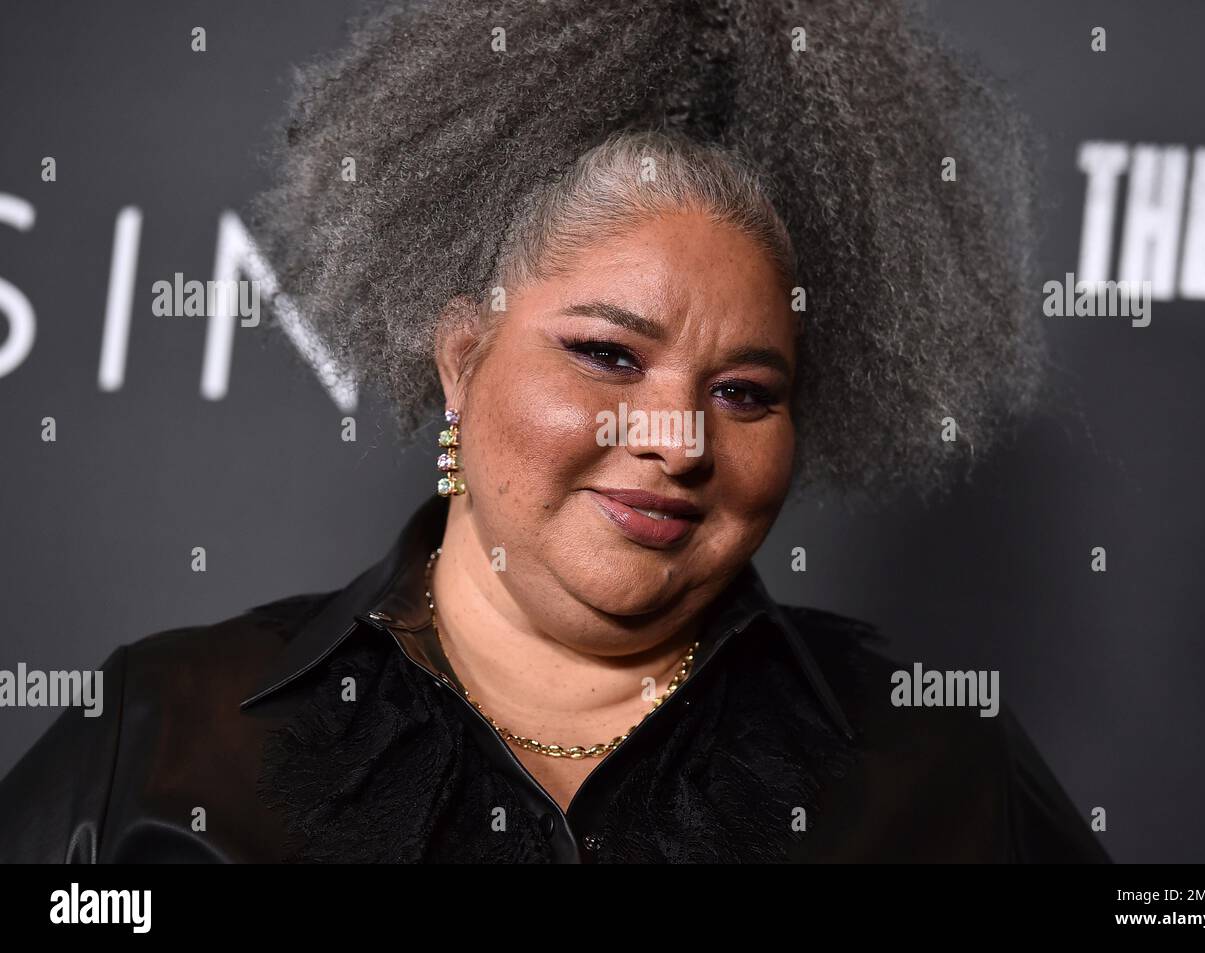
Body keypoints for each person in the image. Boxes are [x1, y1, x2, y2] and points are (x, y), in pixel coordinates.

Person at [0, 0, 1108, 863]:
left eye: (745, 393)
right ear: (462, 356)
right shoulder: (160, 738)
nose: (679, 437)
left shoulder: (943, 774)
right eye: (608, 354)